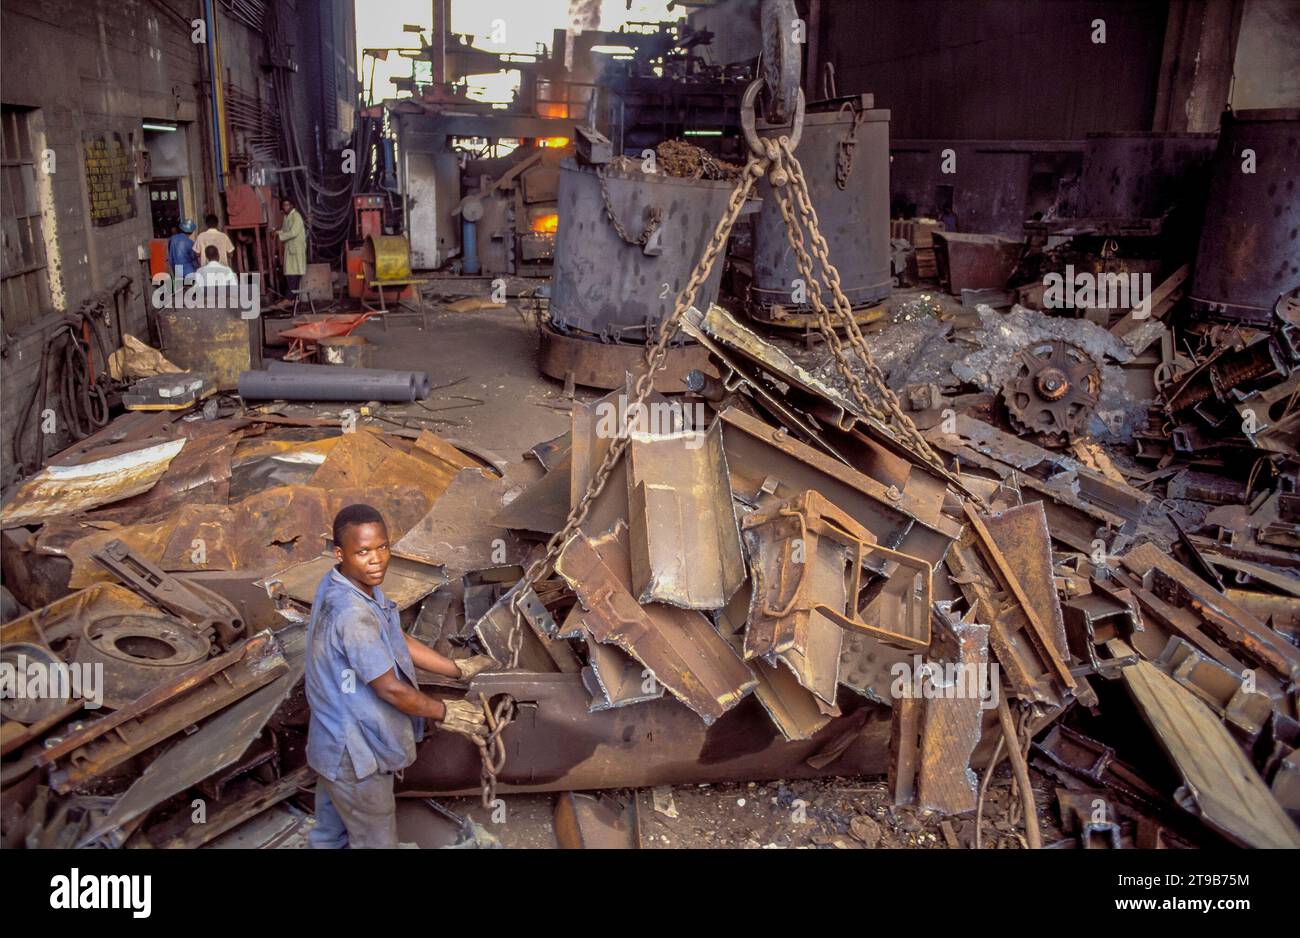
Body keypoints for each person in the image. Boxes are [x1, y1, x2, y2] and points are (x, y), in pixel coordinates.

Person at [304, 504, 496, 849]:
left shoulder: (350, 584)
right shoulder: (352, 615)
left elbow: (397, 639)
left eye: (382, 547)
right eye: (363, 551)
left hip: (332, 745)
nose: (376, 559)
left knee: (329, 837)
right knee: (375, 843)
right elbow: (391, 689)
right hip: (356, 755)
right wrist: (446, 712)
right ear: (339, 552)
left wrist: (457, 668)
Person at [276, 197, 307, 297]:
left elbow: (293, 232)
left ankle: (290, 299)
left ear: (292, 206)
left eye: (287, 205)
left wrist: (280, 235)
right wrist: (277, 232)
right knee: (290, 273)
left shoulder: (296, 216)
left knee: (293, 274)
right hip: (290, 250)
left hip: (296, 250)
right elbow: (286, 231)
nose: (285, 207)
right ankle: (292, 299)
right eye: (284, 205)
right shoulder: (287, 217)